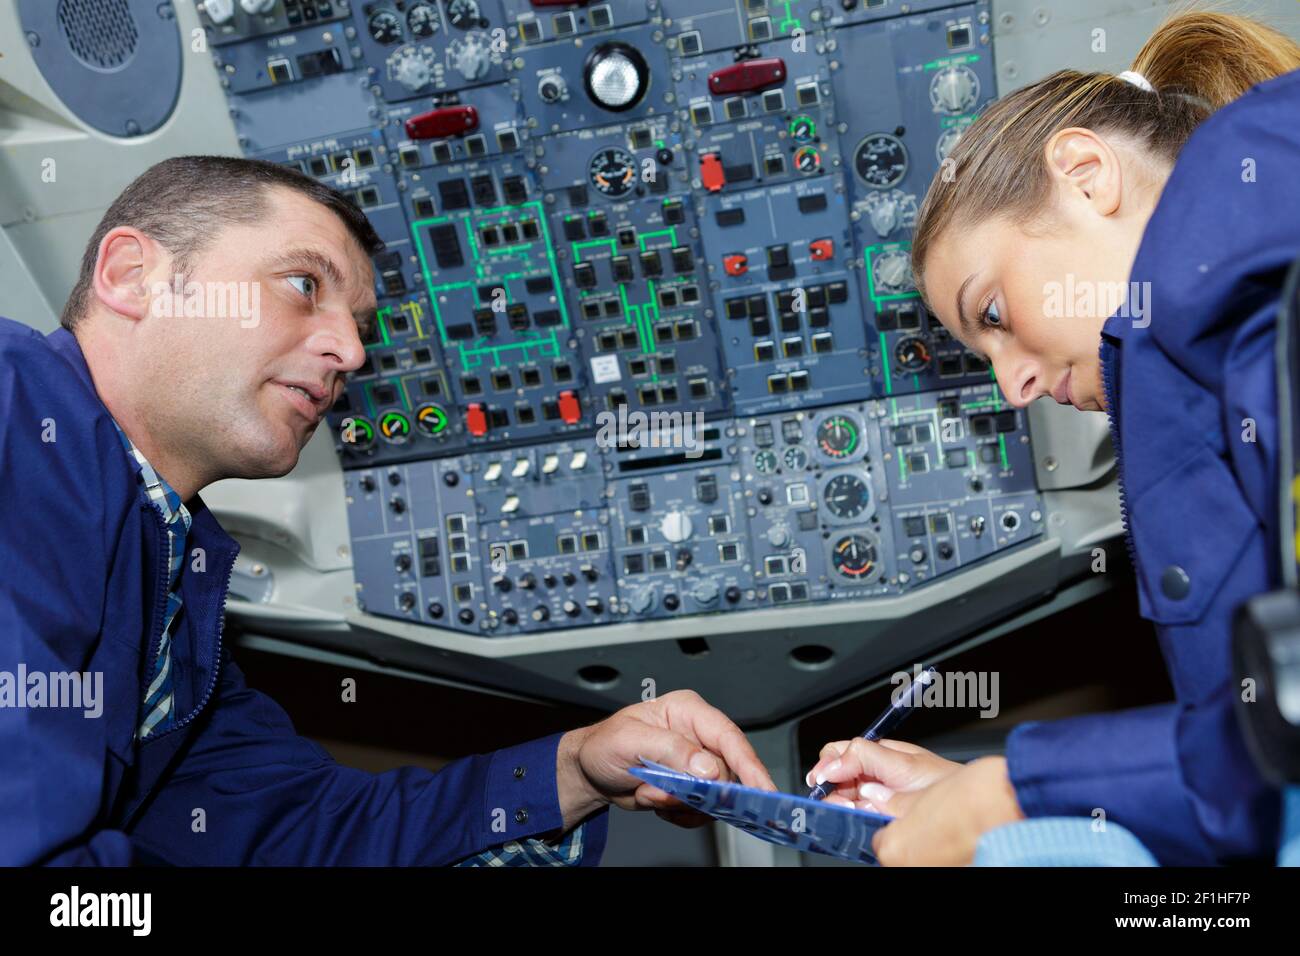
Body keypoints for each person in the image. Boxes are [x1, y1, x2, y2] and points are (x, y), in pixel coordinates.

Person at [0, 156, 774, 866]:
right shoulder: (14, 410)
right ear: (133, 275)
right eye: (305, 284)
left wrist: (574, 768)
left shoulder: (170, 597)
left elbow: (312, 834)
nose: (353, 353)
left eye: (363, 329)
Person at [807, 10, 1300, 865]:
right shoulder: (1241, 294)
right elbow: (1257, 764)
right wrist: (990, 792)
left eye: (993, 313)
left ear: (1084, 174)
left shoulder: (1242, 305)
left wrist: (1011, 793)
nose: (1014, 386)